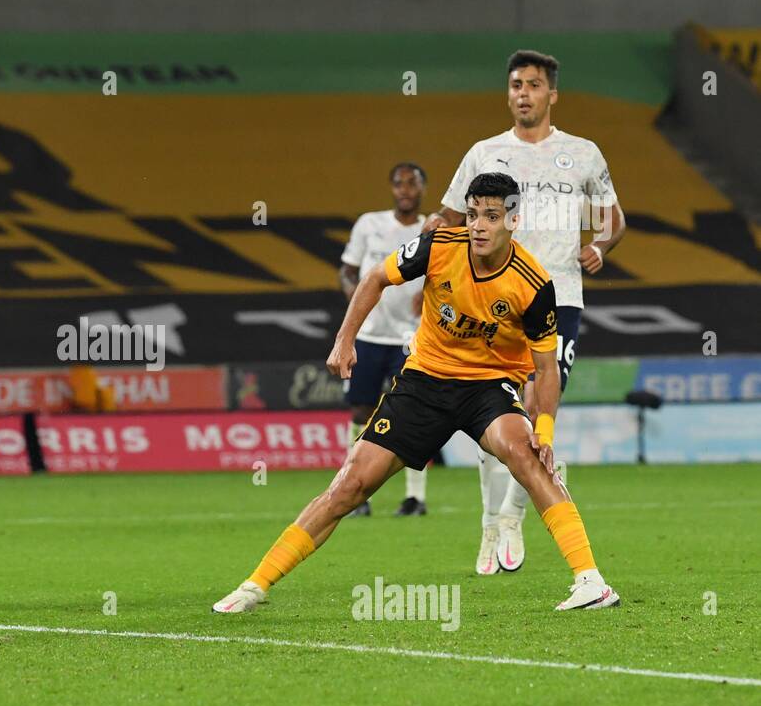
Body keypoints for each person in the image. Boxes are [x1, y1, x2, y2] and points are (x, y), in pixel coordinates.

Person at [213, 173, 620, 614]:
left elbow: (546, 369)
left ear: (514, 221)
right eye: (473, 214)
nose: (479, 225)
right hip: (424, 381)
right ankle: (256, 585)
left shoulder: (533, 283)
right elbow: (373, 279)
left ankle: (590, 582)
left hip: (489, 385)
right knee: (350, 486)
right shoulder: (439, 246)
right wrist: (344, 340)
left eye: (492, 216)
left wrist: (546, 429)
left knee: (528, 454)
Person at [422, 50, 626, 575]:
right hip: (491, 301)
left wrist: (600, 247)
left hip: (558, 295)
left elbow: (614, 219)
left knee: (538, 408)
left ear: (551, 93)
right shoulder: (484, 153)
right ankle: (491, 520)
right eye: (515, 84)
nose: (523, 93)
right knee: (493, 418)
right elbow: (450, 217)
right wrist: (429, 236)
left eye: (533, 84)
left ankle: (511, 515)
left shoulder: (582, 153)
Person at [339, 163, 429, 517]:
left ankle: (414, 497)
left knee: (410, 412)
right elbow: (347, 270)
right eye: (399, 184)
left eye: (412, 183)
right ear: (391, 189)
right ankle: (357, 492)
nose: (405, 190)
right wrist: (353, 301)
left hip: (411, 338)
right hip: (369, 336)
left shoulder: (431, 229)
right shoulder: (369, 224)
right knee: (361, 410)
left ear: (423, 188)